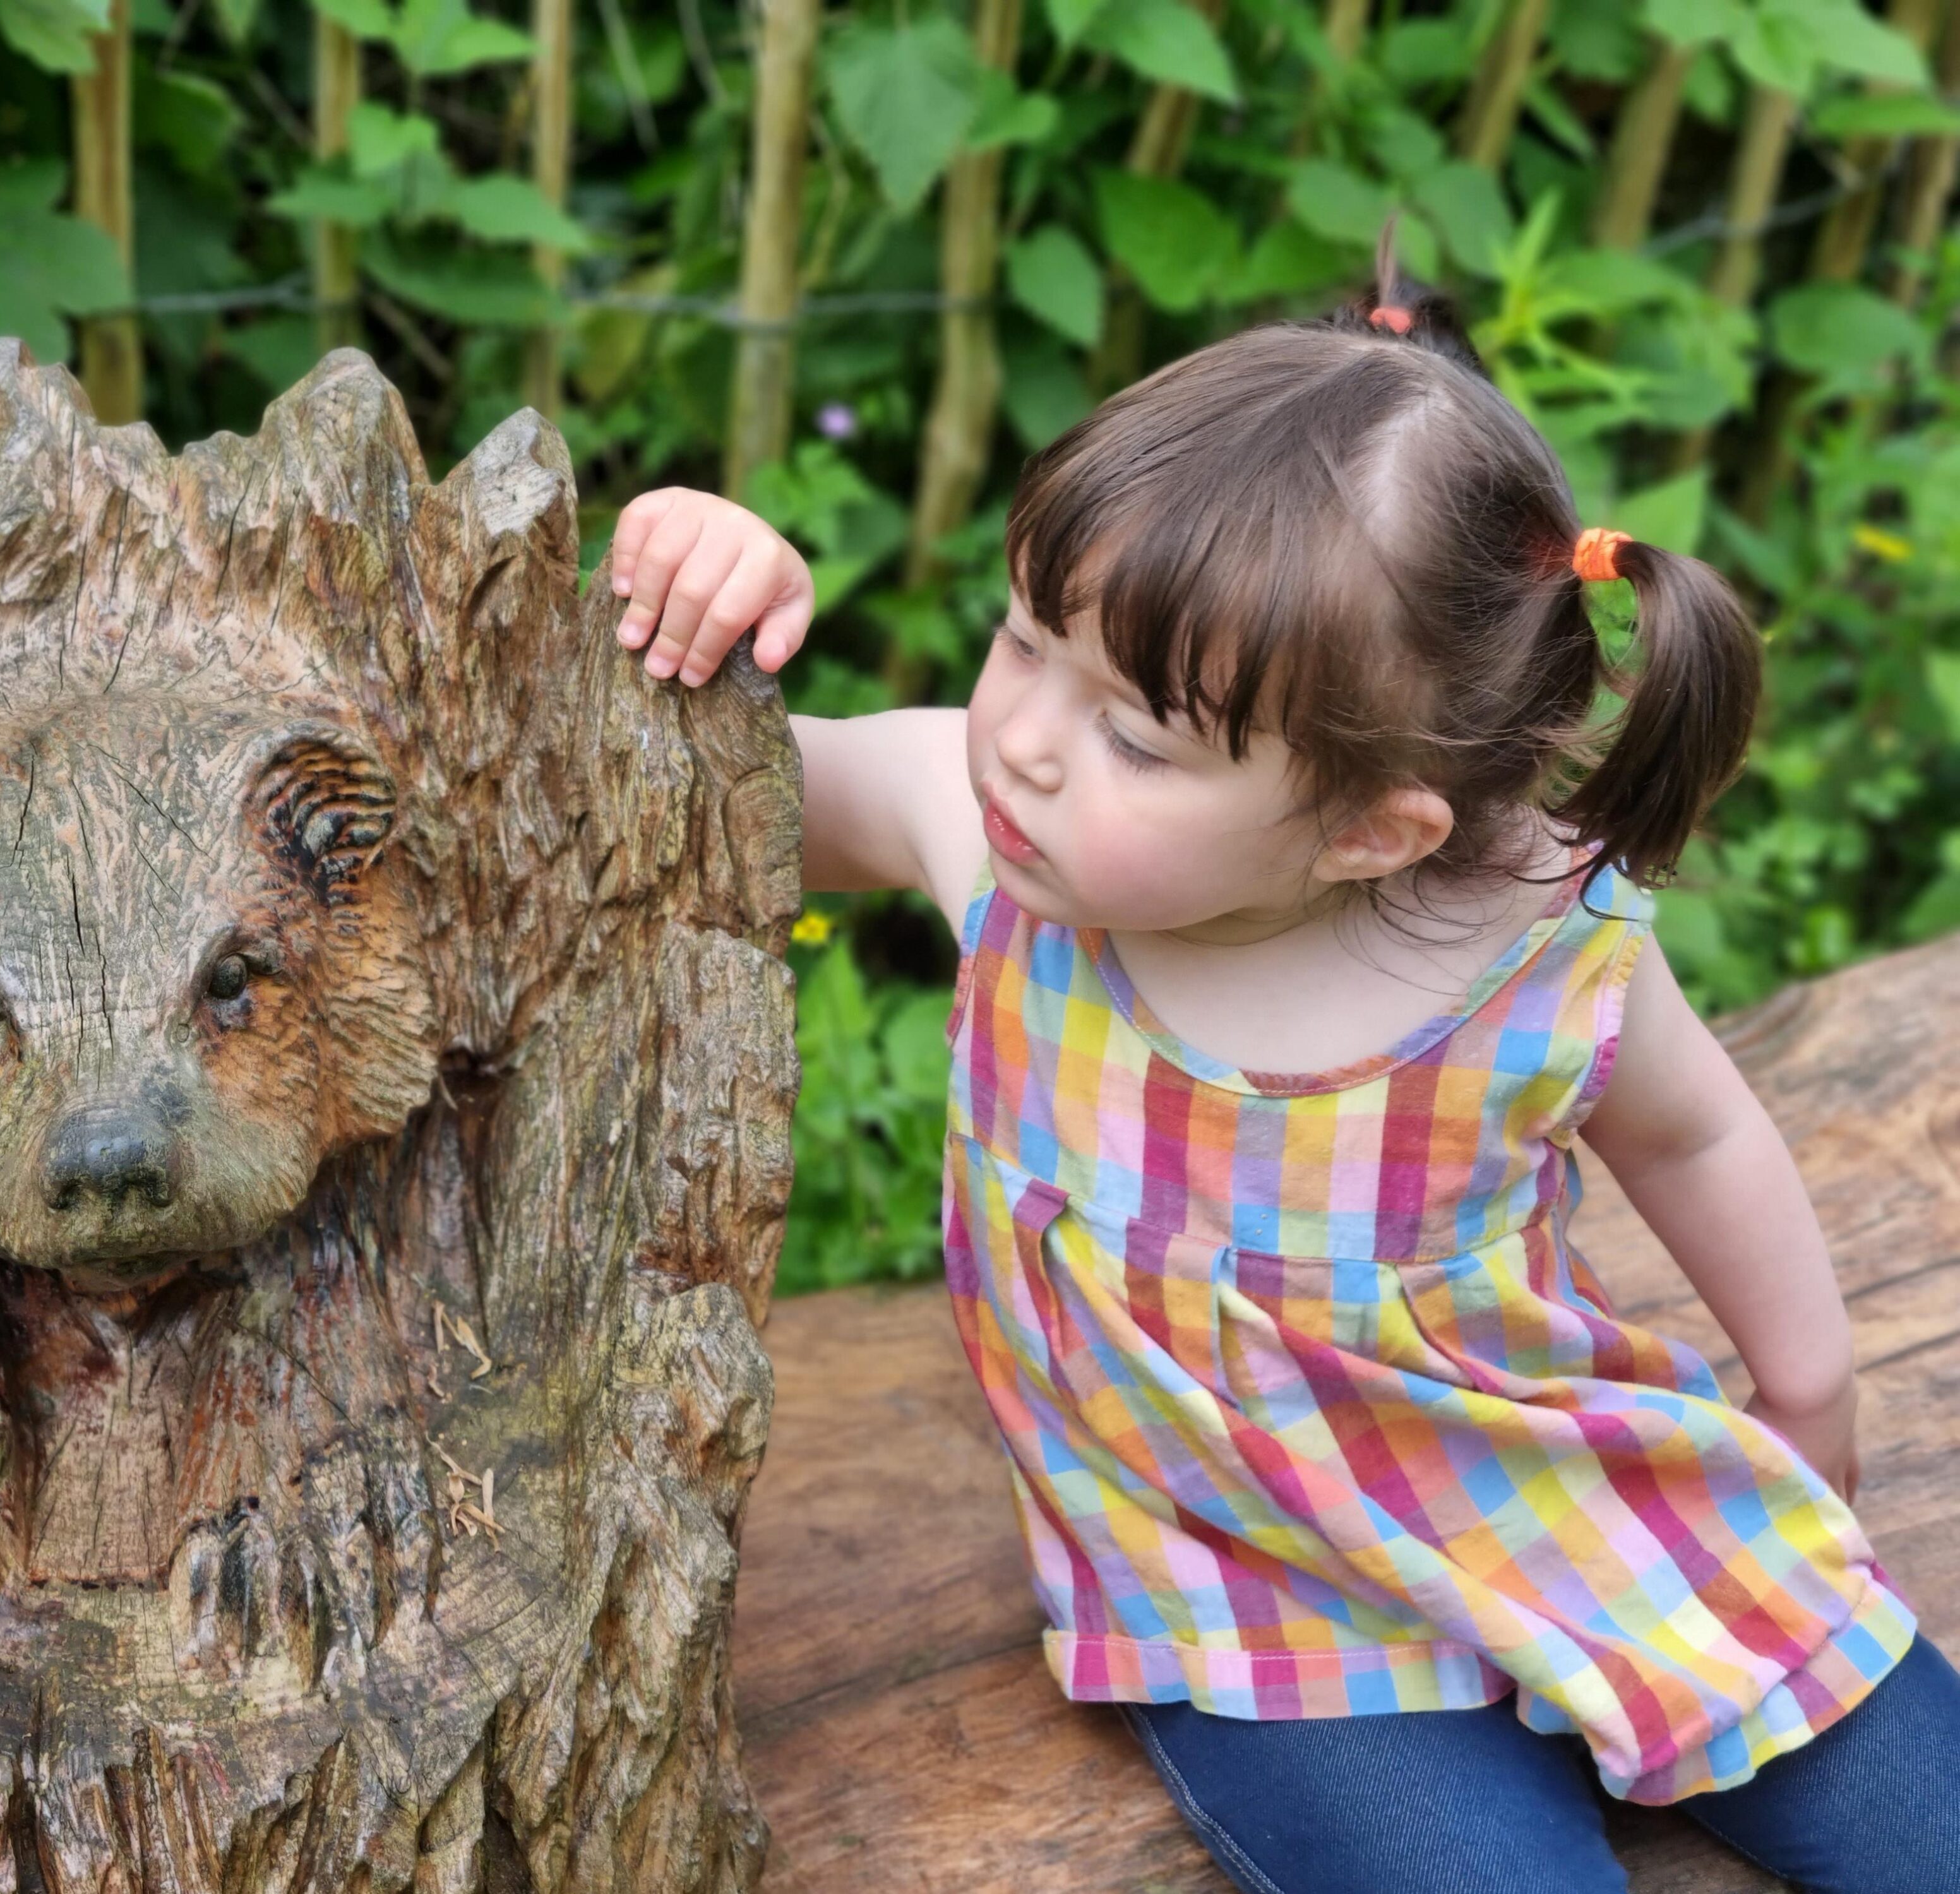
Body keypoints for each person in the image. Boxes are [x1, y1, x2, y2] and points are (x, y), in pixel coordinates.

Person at [599, 249, 1960, 1893]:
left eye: (1135, 737)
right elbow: (741, 793)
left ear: (1373, 830)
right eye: (1023, 639)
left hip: (1547, 1488)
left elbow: (1698, 1139)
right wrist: (707, 599)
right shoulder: (992, 853)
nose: (1022, 738)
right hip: (1243, 1571)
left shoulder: (1535, 944)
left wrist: (1806, 1385)